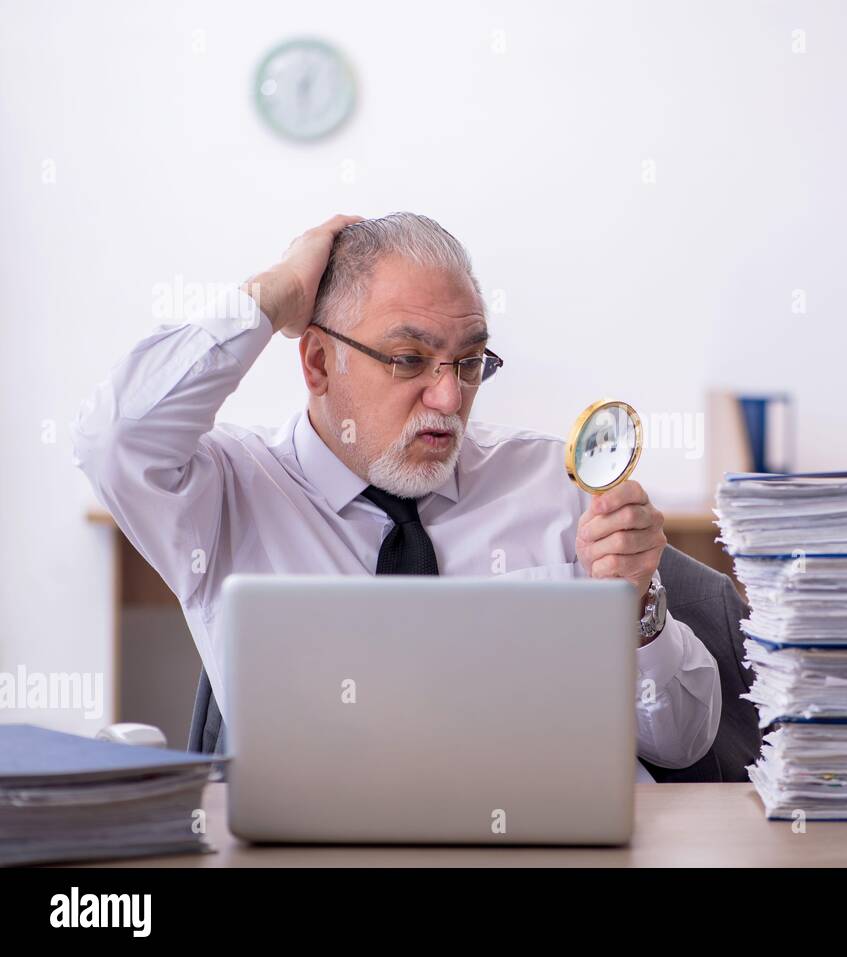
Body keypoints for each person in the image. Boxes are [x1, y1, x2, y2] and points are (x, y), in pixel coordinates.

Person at [72, 212, 721, 781]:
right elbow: (115, 436)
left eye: (469, 363)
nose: (448, 397)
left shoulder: (553, 482)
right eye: (410, 359)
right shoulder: (225, 494)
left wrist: (638, 607)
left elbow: (684, 740)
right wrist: (275, 296)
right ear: (319, 364)